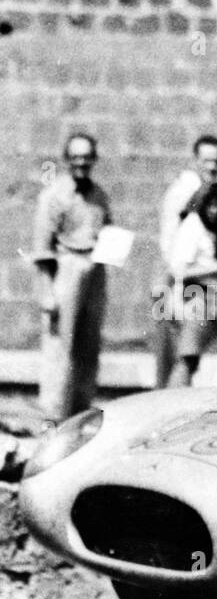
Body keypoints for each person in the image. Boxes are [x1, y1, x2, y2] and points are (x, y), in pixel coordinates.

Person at [30, 133, 112, 422]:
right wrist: (47, 293)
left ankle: (79, 416)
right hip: (65, 271)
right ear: (67, 160)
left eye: (87, 157)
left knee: (88, 347)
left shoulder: (99, 196)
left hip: (94, 270)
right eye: (76, 157)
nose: (82, 163)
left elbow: (107, 232)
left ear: (94, 159)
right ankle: (52, 417)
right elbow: (42, 249)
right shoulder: (53, 195)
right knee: (60, 348)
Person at [156, 135, 217, 387]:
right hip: (183, 287)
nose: (212, 167)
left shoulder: (208, 195)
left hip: (196, 286)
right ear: (195, 160)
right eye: (207, 160)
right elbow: (173, 252)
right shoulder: (186, 195)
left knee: (187, 357)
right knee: (183, 358)